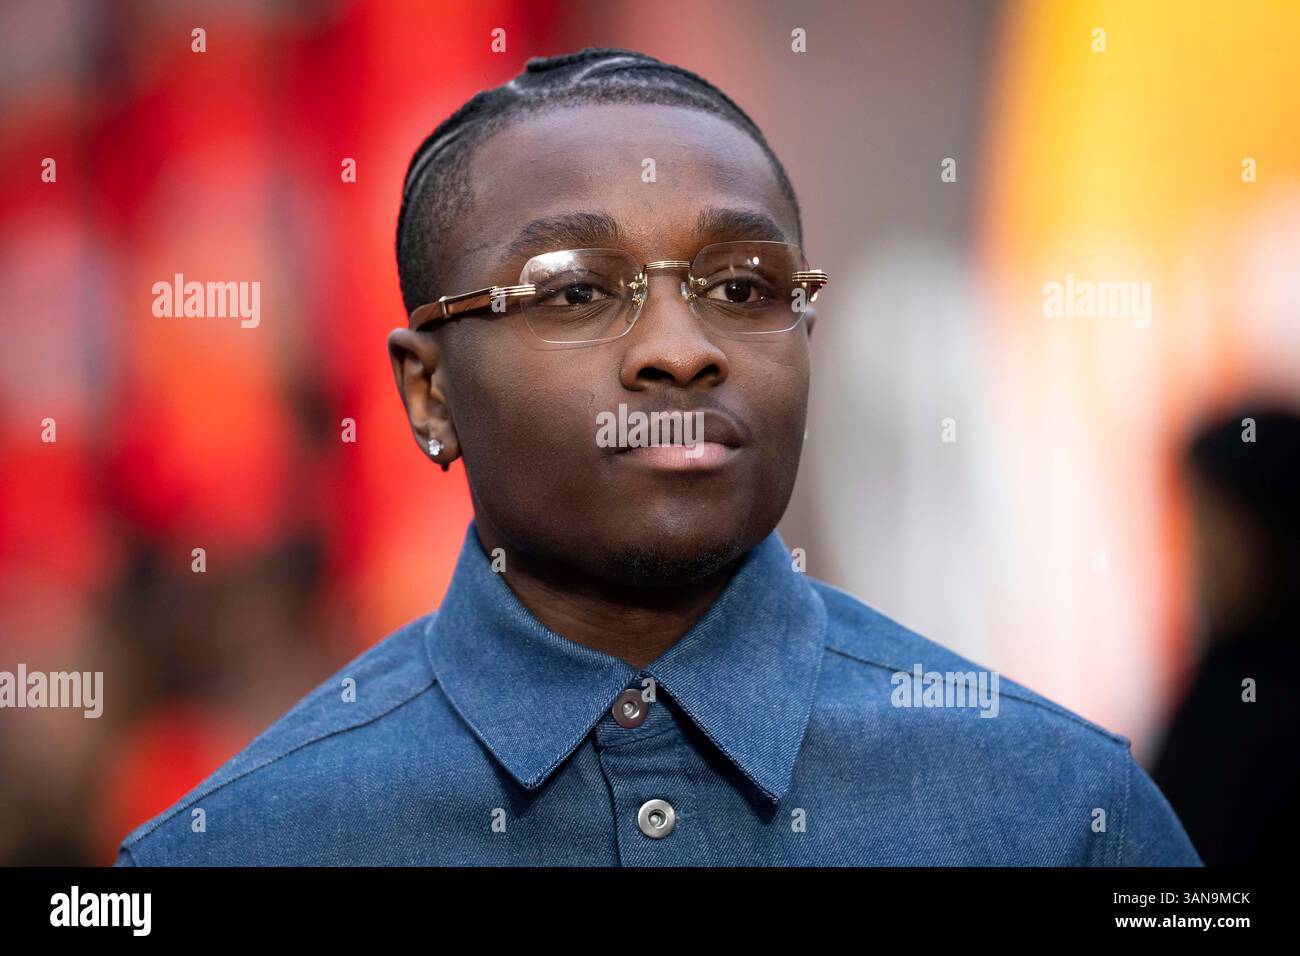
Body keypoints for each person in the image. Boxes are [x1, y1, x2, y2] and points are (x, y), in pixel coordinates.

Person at [115, 47, 1199, 866]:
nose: (681, 352)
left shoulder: (1061, 809)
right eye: (577, 291)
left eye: (742, 289)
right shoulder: (239, 845)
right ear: (429, 391)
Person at [1151, 406, 1300, 865]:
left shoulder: (1264, 704)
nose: (1201, 558)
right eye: (1197, 524)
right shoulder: (1220, 681)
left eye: (1219, 526)